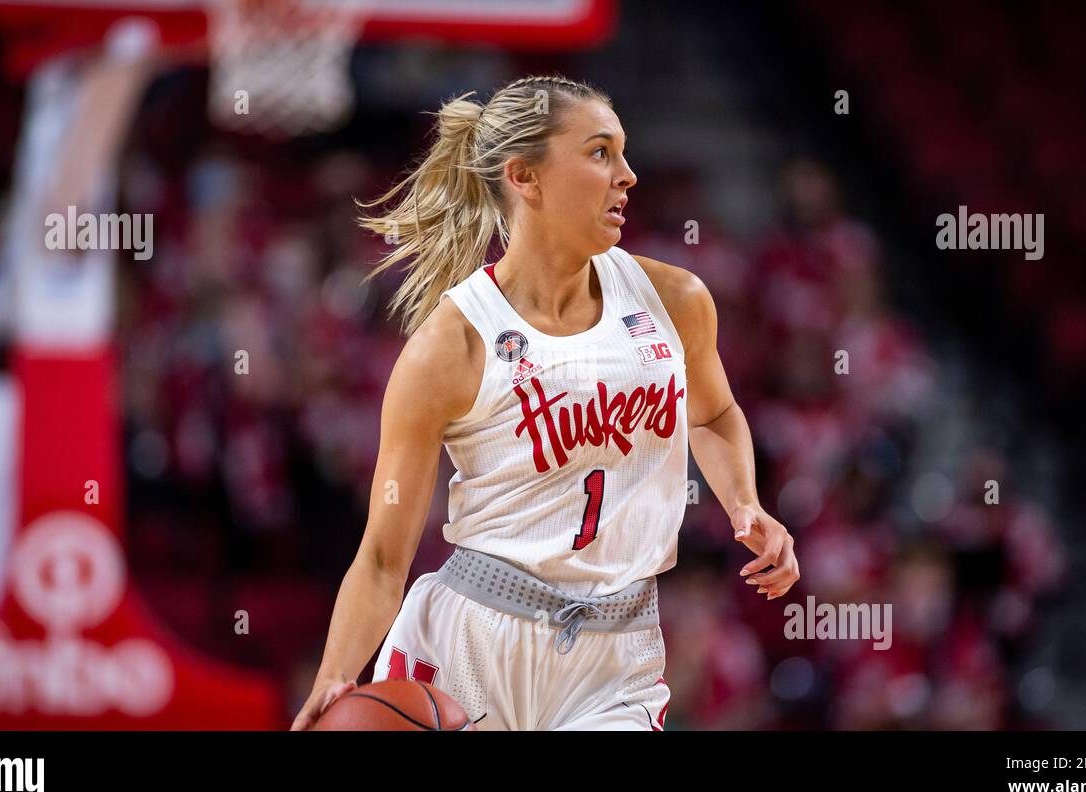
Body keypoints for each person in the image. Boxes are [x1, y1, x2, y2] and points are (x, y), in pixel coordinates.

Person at [291, 75, 798, 731]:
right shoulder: (449, 347)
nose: (629, 175)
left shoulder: (676, 301)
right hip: (470, 643)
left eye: (623, 152)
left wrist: (746, 503)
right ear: (525, 177)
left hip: (616, 651)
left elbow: (712, 413)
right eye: (600, 153)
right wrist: (336, 673)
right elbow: (384, 558)